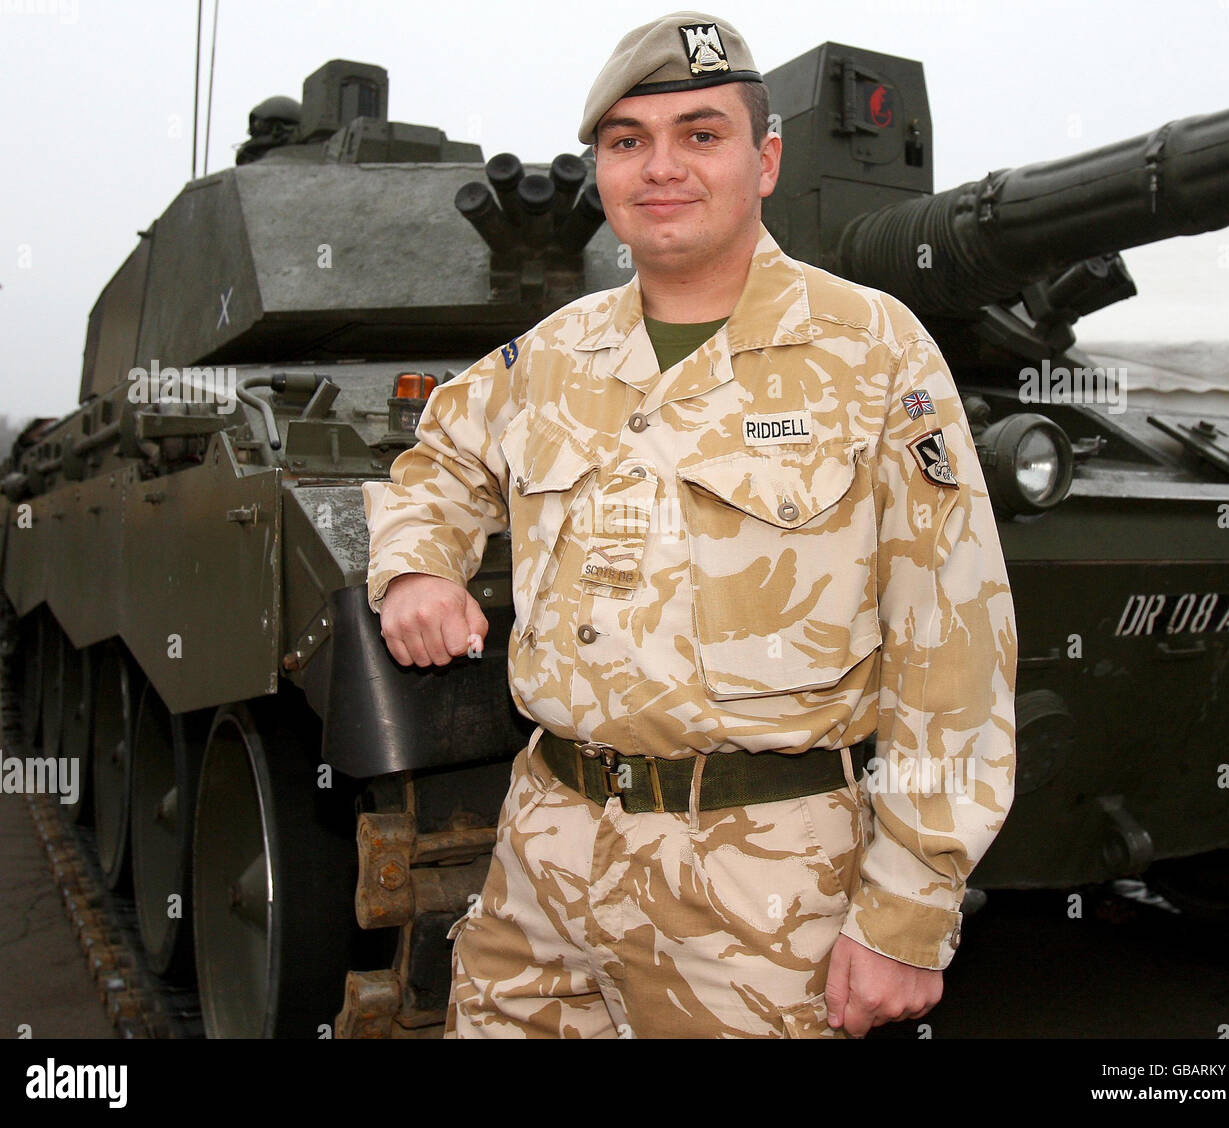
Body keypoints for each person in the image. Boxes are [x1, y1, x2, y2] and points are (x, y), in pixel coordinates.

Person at [362, 10, 1016, 1039]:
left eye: (699, 135)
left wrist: (906, 910)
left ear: (764, 161)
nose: (660, 167)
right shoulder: (550, 356)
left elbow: (956, 642)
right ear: (602, 170)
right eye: (628, 142)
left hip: (762, 888)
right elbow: (436, 462)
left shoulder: (872, 351)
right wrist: (416, 569)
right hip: (545, 856)